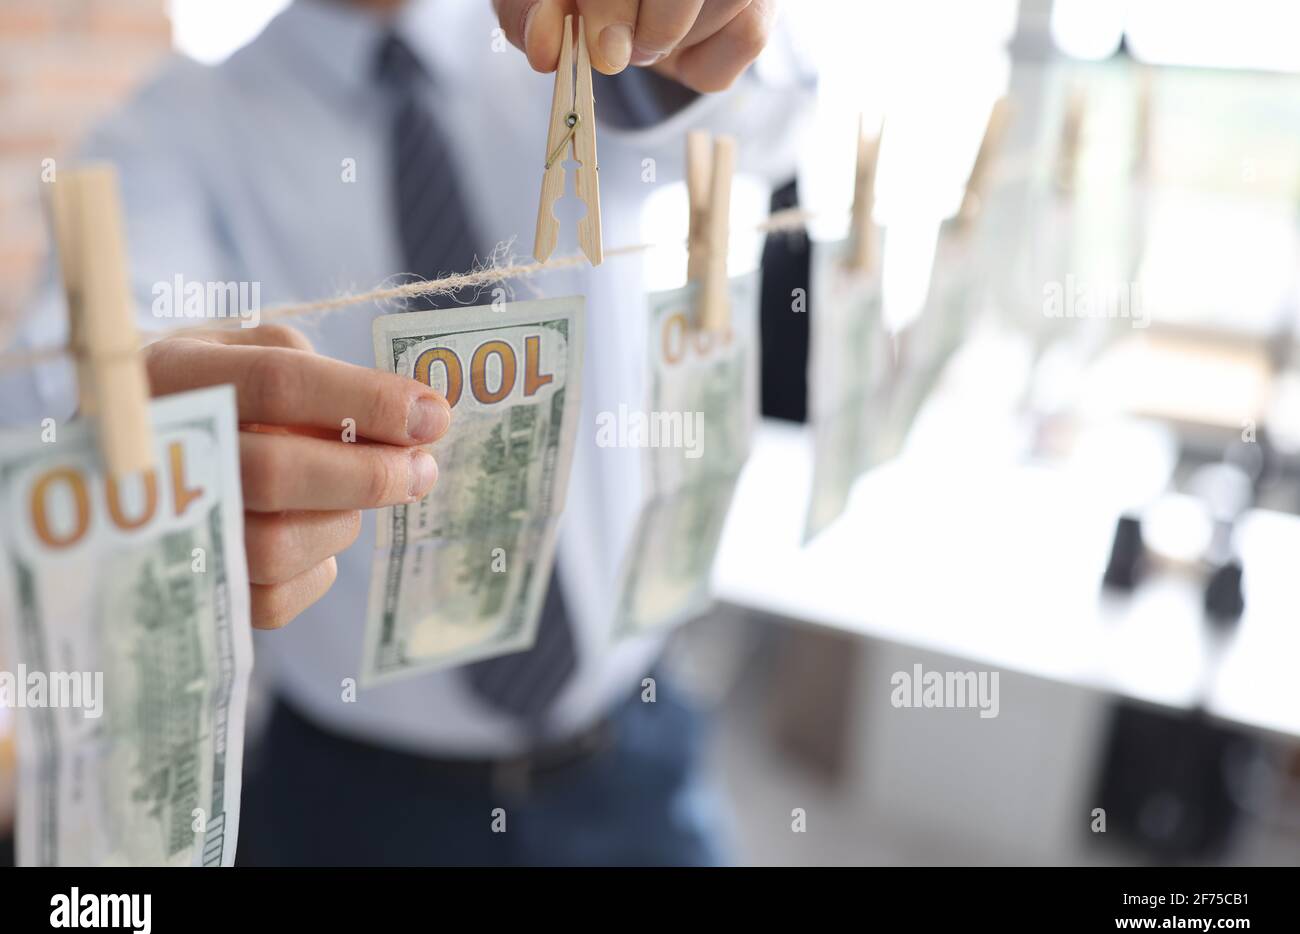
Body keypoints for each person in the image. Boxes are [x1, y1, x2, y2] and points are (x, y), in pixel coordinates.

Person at [2, 0, 808, 865]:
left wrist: (695, 38)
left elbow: (777, 118)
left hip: (639, 748)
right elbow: (97, 346)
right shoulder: (174, 128)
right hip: (349, 805)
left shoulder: (571, 40)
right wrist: (136, 443)